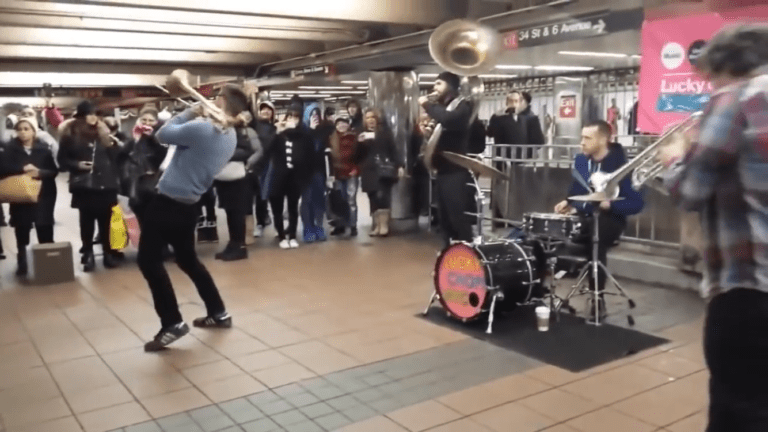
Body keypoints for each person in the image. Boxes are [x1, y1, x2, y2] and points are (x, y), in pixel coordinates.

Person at [655, 24, 768, 432]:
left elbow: (690, 191)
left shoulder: (735, 99)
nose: (707, 84)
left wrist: (674, 156)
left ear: (724, 64)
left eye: (708, 75)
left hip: (747, 287)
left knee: (738, 408)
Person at [138, 84, 249, 352]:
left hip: (167, 203)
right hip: (189, 206)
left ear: (221, 102)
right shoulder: (230, 135)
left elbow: (163, 134)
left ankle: (172, 322)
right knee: (188, 261)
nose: (210, 100)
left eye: (215, 97)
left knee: (148, 261)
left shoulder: (203, 129)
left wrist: (190, 111)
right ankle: (218, 312)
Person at [554, 120, 644, 317]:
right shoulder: (580, 161)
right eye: (581, 137)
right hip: (583, 217)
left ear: (604, 139)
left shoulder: (622, 166)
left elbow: (637, 204)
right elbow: (576, 191)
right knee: (543, 232)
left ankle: (597, 297)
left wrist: (610, 205)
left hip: (611, 219)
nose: (582, 142)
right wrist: (568, 201)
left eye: (587, 138)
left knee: (596, 235)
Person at [58, 100, 121, 272]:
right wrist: (77, 165)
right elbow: (61, 161)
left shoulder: (105, 134)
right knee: (86, 222)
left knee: (106, 221)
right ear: (80, 118)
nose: (92, 119)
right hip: (84, 186)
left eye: (95, 115)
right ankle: (88, 253)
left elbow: (117, 158)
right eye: (88, 115)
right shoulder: (70, 136)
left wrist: (108, 138)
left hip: (106, 185)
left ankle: (108, 252)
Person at [418, 71, 474, 248]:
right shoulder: (444, 106)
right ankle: (448, 252)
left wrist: (427, 105)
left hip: (455, 169)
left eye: (439, 84)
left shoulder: (462, 105)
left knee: (457, 215)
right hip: (442, 169)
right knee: (445, 218)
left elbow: (449, 120)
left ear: (450, 85)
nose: (435, 88)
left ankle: (467, 251)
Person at [3, 116, 57, 276]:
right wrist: (22, 169)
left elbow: (53, 171)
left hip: (43, 194)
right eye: (19, 129)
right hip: (21, 196)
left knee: (44, 227)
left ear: (34, 131)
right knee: (22, 228)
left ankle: (48, 262)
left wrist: (39, 172)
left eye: (27, 129)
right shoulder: (9, 150)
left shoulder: (44, 149)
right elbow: (2, 169)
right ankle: (22, 261)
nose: (23, 133)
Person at [263, 100, 315, 249]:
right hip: (277, 177)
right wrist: (277, 131)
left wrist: (306, 176)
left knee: (293, 208)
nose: (293, 119)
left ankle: (292, 235)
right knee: (277, 208)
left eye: (296, 116)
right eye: (290, 116)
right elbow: (267, 150)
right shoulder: (278, 134)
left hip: (295, 178)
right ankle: (281, 236)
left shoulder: (305, 136)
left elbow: (310, 157)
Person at [354, 108, 403, 237]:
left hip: (384, 170)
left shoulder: (385, 133)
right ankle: (376, 225)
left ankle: (384, 225)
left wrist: (400, 165)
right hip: (369, 171)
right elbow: (356, 156)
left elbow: (394, 150)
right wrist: (359, 143)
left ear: (377, 120)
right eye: (368, 118)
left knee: (383, 197)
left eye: (373, 117)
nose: (370, 120)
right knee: (373, 198)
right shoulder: (360, 133)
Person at [327, 116, 360, 237]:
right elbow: (328, 158)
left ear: (348, 125)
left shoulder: (355, 138)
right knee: (338, 201)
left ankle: (352, 226)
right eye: (339, 124)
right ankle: (340, 225)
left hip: (351, 173)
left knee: (351, 201)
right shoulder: (332, 138)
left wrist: (356, 169)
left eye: (344, 123)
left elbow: (360, 155)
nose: (341, 126)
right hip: (337, 174)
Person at [249, 101, 276, 237]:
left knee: (265, 196)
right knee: (255, 196)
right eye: (263, 109)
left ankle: (264, 220)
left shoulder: (275, 128)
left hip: (269, 166)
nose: (266, 111)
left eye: (269, 110)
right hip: (254, 165)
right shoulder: (254, 124)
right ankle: (260, 222)